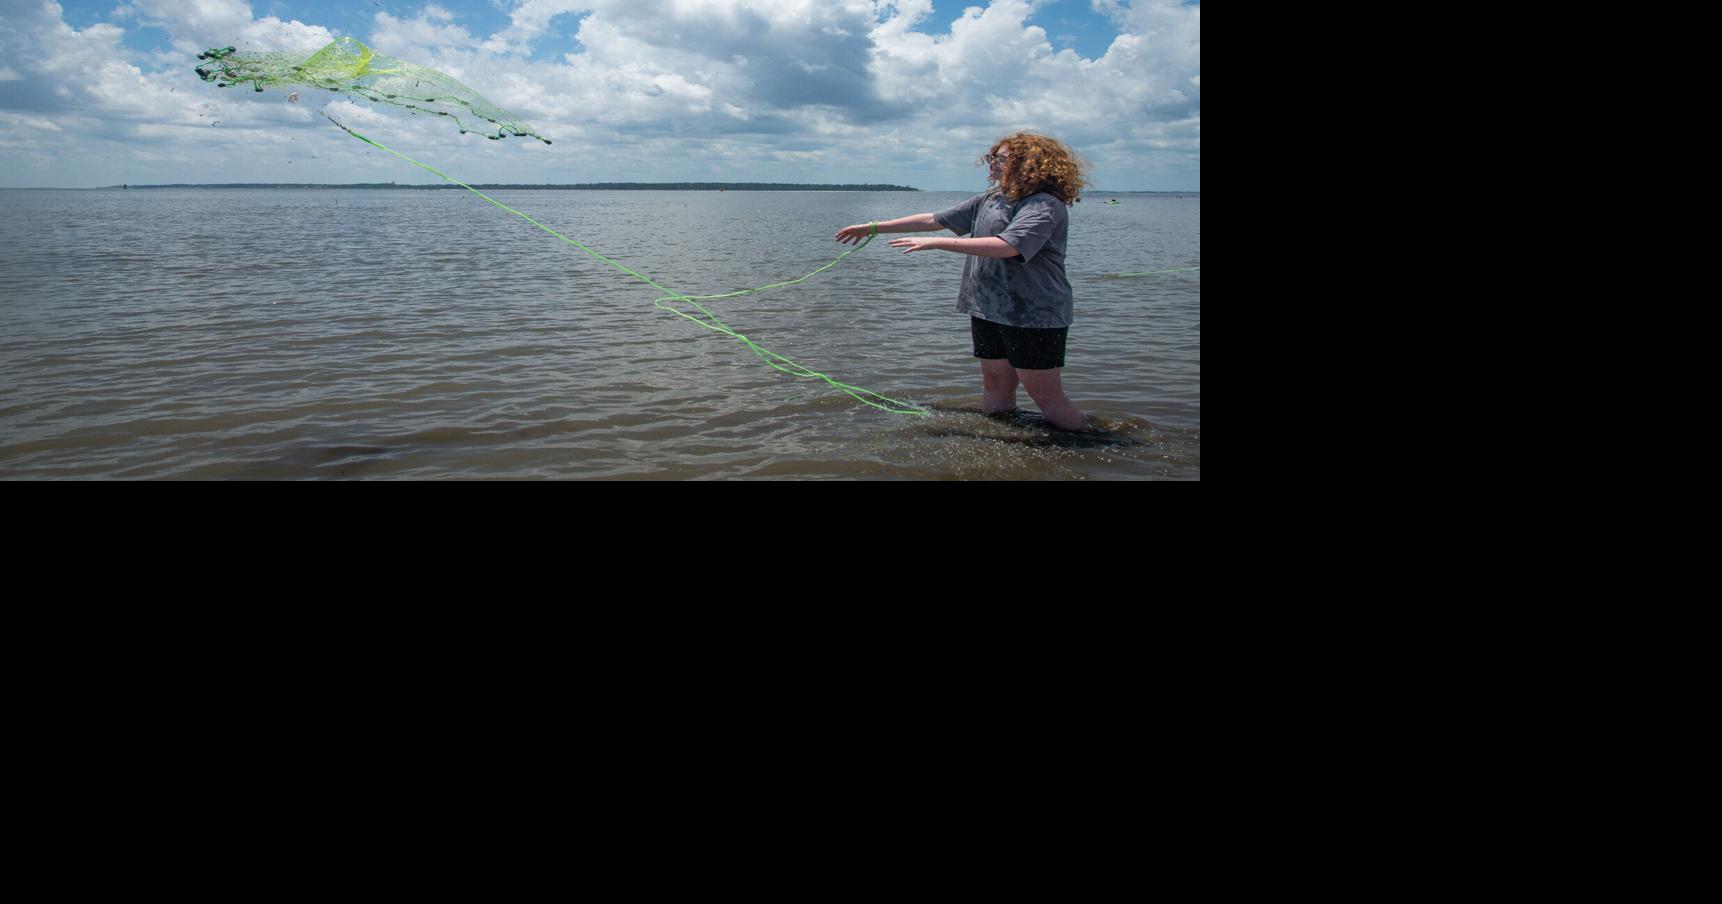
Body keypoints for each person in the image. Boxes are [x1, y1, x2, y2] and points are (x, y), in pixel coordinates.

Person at [836, 131, 1090, 430]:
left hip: (1034, 314)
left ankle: (1094, 444)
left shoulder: (1044, 205)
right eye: (992, 157)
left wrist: (937, 244)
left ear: (1028, 164)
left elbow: (1009, 246)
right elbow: (934, 219)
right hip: (988, 308)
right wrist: (873, 227)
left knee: (1045, 396)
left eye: (1001, 159)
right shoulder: (991, 200)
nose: (991, 163)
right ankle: (1002, 437)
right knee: (995, 383)